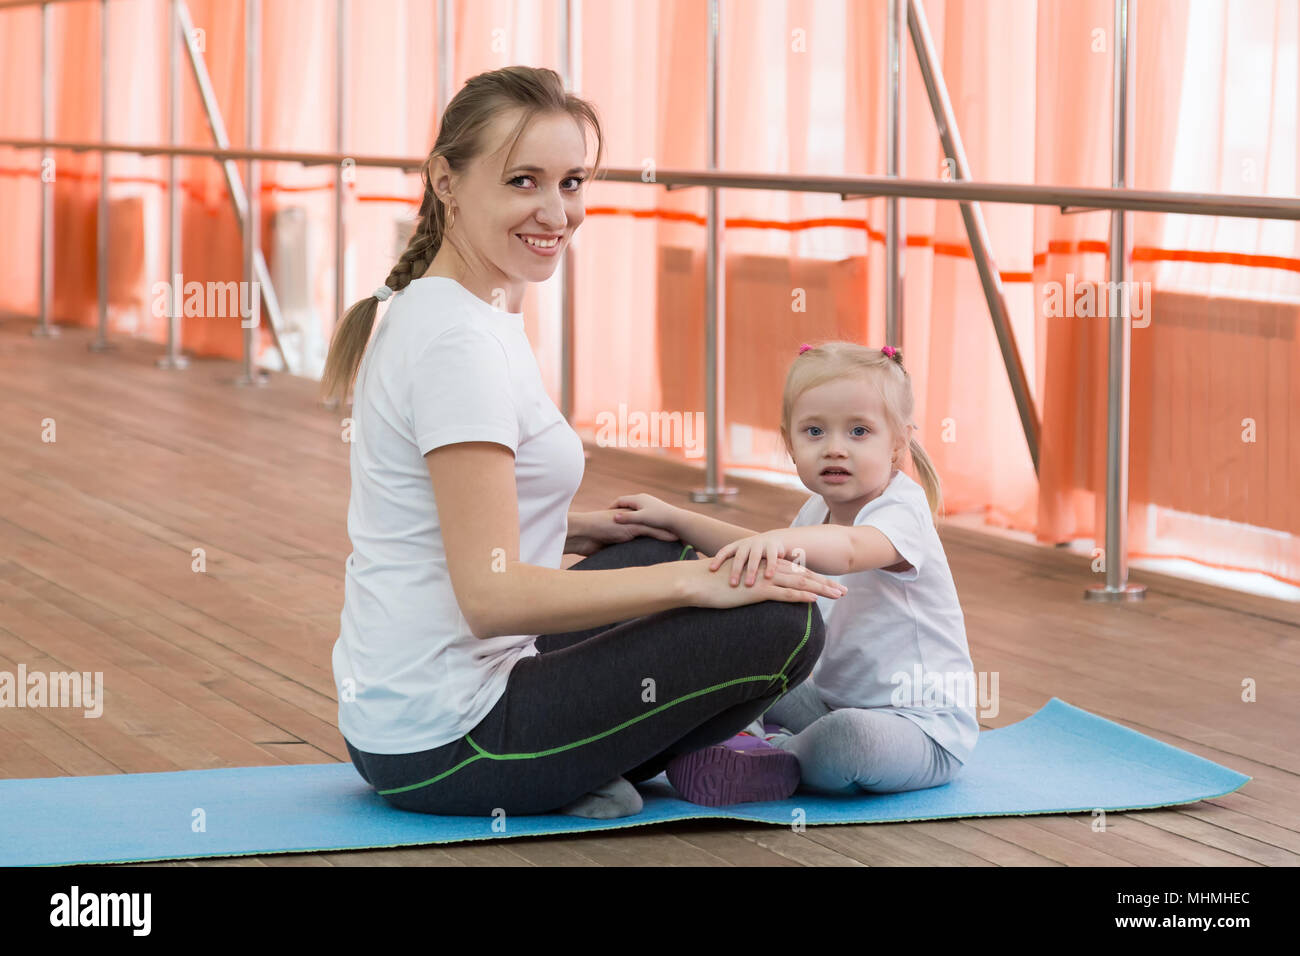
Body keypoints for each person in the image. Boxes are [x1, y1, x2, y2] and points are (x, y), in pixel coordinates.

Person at [319, 66, 843, 819]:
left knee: (664, 549)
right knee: (783, 626)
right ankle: (580, 769)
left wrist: (573, 526)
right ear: (446, 180)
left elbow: (423, 515)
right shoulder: (455, 344)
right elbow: (492, 597)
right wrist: (694, 585)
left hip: (400, 723)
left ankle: (597, 763)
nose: (555, 211)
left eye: (571, 183)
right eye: (525, 181)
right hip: (449, 745)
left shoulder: (453, 307)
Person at [612, 341, 979, 797]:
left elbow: (847, 549)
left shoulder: (903, 510)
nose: (835, 449)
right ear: (788, 443)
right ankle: (744, 744)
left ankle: (770, 754)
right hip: (823, 701)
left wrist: (775, 542)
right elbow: (759, 553)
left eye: (859, 432)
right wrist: (675, 519)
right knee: (748, 657)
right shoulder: (814, 512)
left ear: (899, 443)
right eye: (814, 432)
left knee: (850, 739)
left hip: (920, 729)